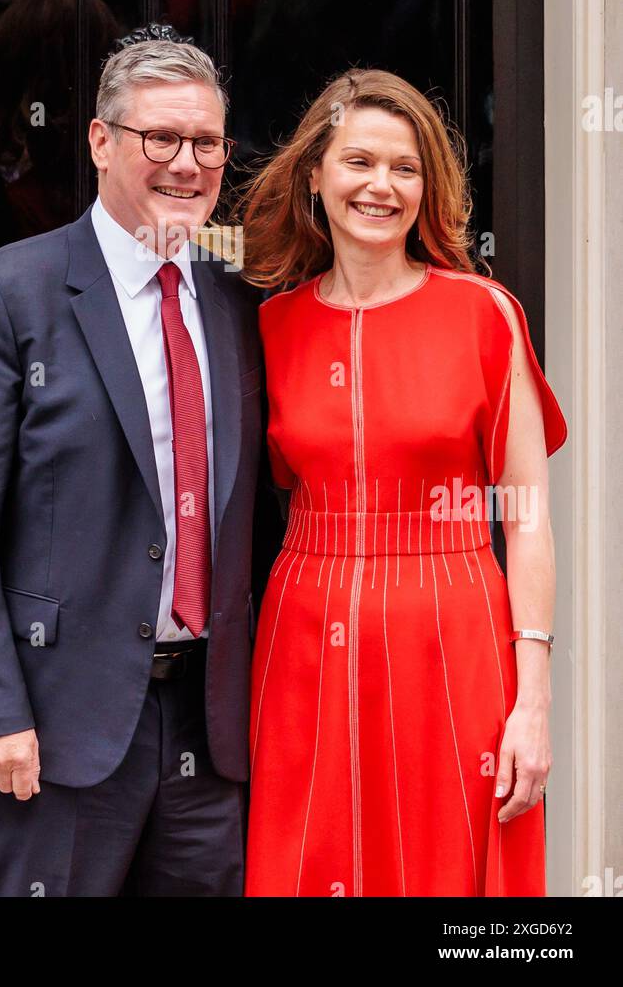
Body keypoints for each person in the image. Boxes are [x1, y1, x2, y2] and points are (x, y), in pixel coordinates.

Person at [0, 25, 267, 896]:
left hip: (207, 731)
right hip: (50, 724)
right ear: (102, 143)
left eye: (207, 143)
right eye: (161, 139)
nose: (187, 164)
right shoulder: (3, 295)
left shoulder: (242, 304)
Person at [237, 67, 567, 897]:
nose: (380, 186)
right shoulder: (273, 326)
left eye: (405, 167)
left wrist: (532, 700)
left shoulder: (483, 314)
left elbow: (524, 516)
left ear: (429, 187)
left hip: (453, 629)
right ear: (314, 174)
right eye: (358, 161)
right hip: (304, 637)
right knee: (310, 853)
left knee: (449, 863)